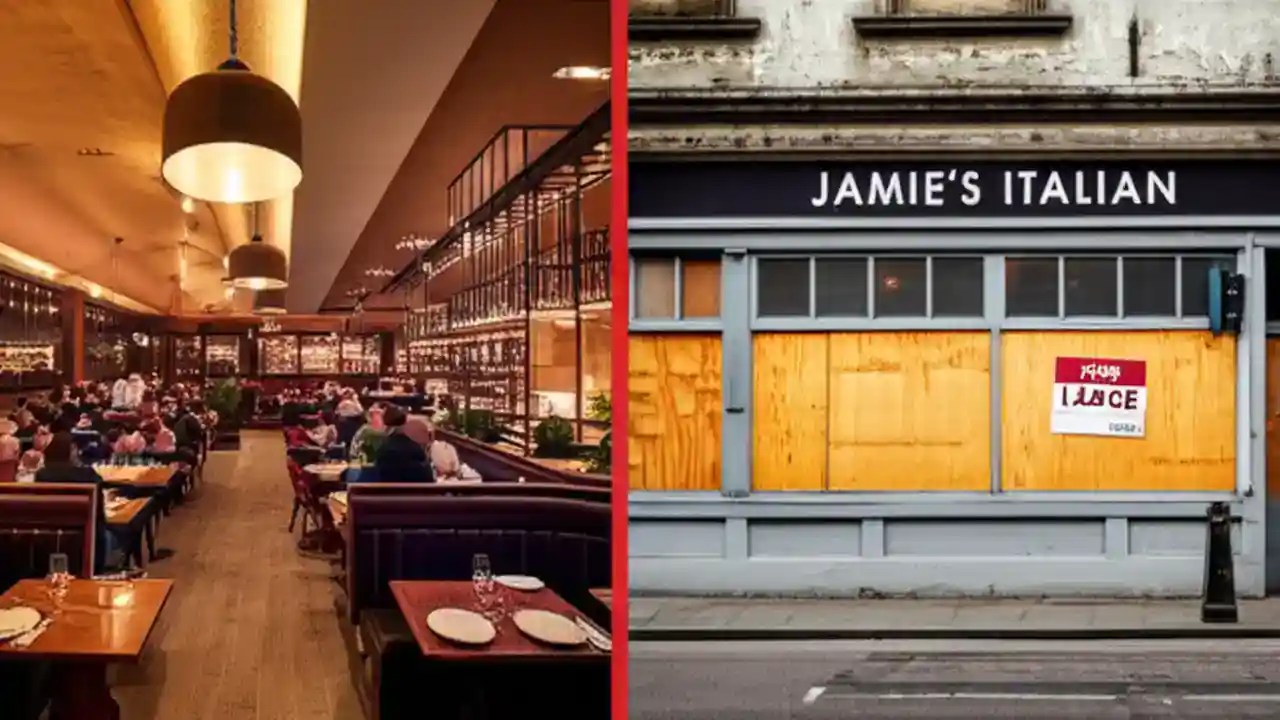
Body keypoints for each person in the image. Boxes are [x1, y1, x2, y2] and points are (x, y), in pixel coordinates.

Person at [35, 433, 121, 573]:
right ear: (70, 451)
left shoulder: (41, 475)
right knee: (119, 535)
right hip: (88, 539)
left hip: (49, 538)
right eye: (74, 449)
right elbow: (99, 514)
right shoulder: (87, 475)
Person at [372, 406, 433, 483]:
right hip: (417, 493)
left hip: (389, 493)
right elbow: (428, 478)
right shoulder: (416, 449)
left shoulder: (384, 449)